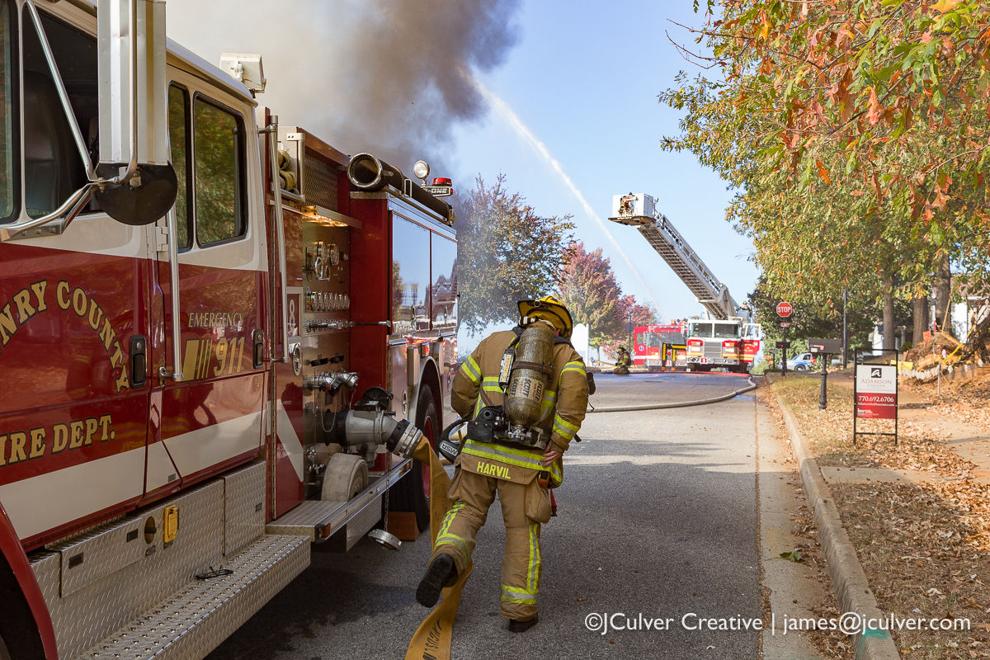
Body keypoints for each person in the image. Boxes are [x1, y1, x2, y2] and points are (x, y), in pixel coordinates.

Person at [416, 295, 590, 632]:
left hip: (480, 452)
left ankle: (448, 556)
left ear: (529, 319)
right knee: (521, 532)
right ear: (560, 327)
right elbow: (572, 407)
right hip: (526, 463)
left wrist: (473, 418)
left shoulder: (493, 342)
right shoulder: (567, 356)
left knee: (465, 511)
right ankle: (519, 613)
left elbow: (462, 389)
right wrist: (558, 443)